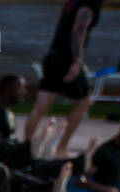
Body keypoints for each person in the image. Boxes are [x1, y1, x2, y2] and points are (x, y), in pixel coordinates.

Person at [24, 0, 105, 155]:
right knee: (85, 102)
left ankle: (25, 147)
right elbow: (78, 31)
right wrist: (76, 62)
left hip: (53, 56)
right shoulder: (90, 4)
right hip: (66, 59)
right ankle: (61, 147)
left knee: (41, 106)